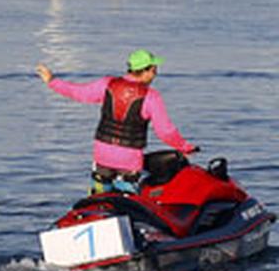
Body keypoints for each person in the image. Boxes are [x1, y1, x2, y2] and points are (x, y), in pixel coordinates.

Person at [36, 50, 197, 195]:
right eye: (154, 69)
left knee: (99, 199)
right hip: (129, 161)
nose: (156, 73)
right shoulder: (151, 97)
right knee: (127, 202)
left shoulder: (107, 84)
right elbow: (165, 132)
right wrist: (185, 147)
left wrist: (52, 81)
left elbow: (79, 93)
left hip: (102, 155)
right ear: (146, 71)